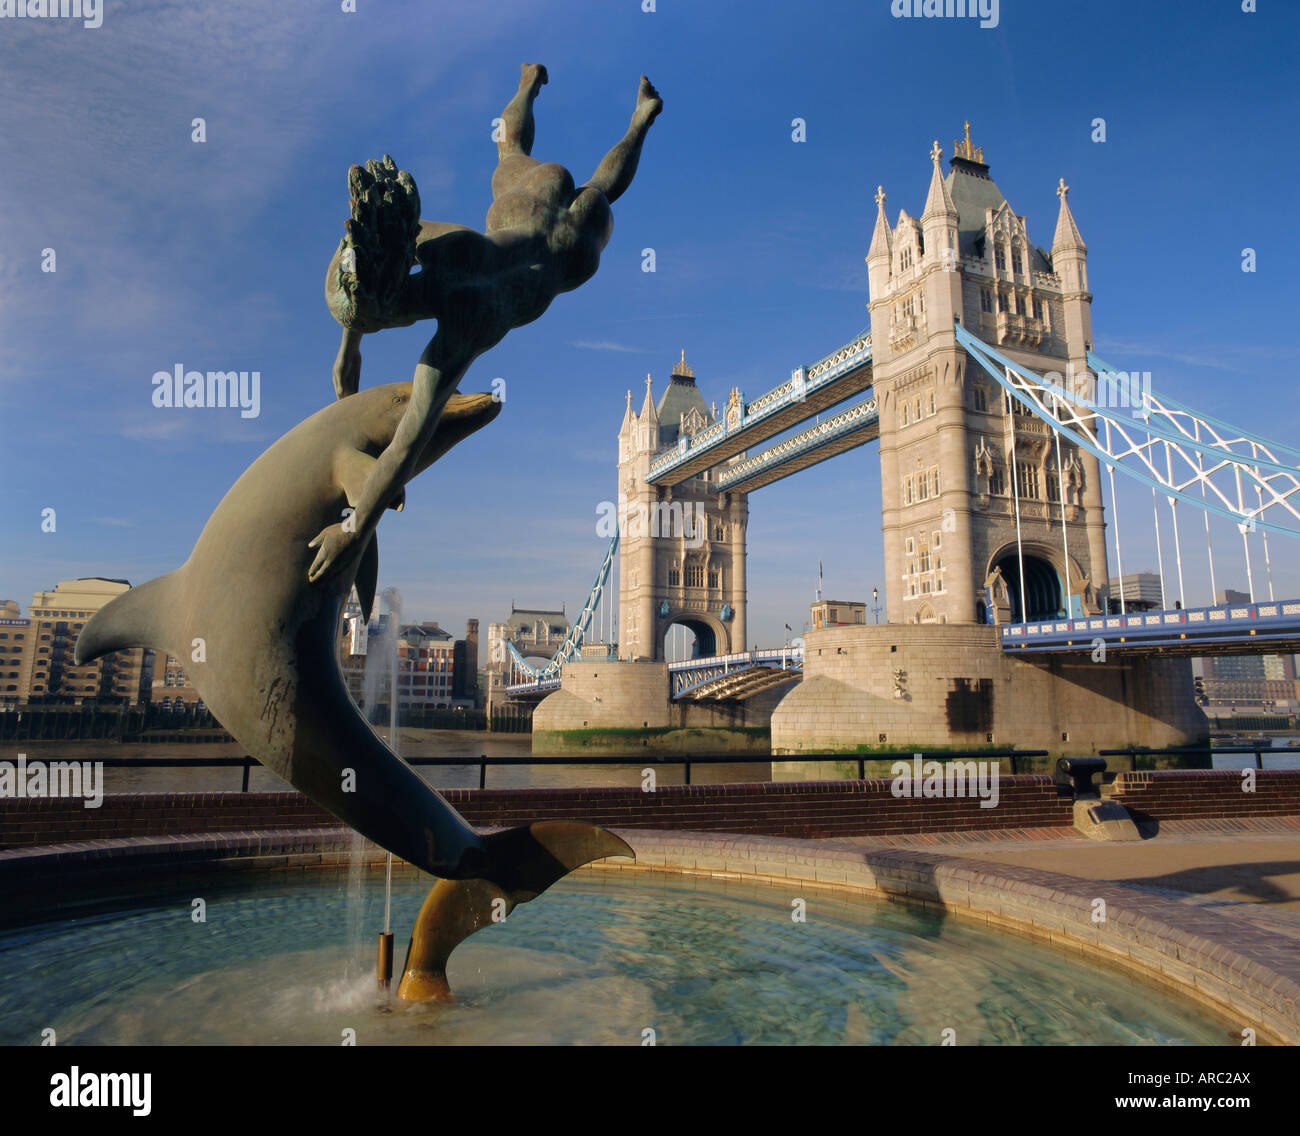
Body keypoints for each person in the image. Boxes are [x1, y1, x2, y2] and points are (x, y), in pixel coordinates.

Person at [308, 64, 662, 582]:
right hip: (524, 207)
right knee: (509, 150)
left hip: (571, 253)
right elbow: (373, 252)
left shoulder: (465, 323)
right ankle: (536, 86)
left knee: (601, 190)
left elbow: (408, 442)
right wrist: (349, 346)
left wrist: (353, 529)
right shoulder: (441, 244)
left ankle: (639, 122)